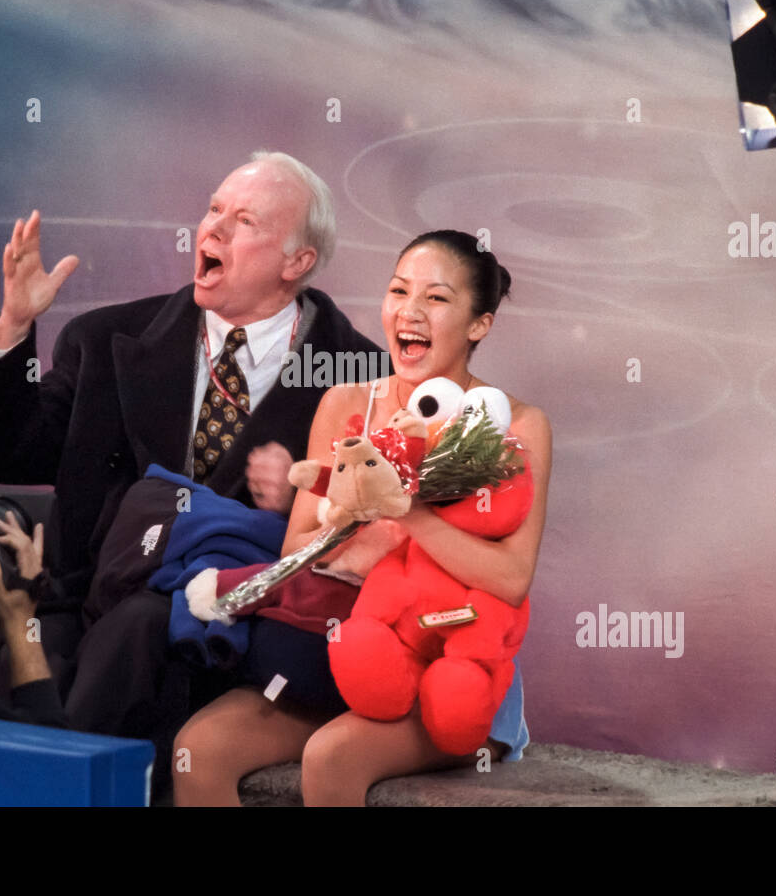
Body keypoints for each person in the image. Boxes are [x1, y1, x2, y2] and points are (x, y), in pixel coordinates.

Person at [0, 151, 384, 785]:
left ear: (298, 262)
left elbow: (377, 536)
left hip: (241, 630)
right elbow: (4, 453)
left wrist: (306, 494)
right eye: (213, 210)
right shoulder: (106, 340)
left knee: (138, 634)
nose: (212, 230)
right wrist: (15, 325)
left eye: (244, 221)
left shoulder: (361, 380)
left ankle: (58, 792)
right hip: (90, 605)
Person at [171, 230, 552, 806]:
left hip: (449, 667)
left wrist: (410, 515)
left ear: (479, 324)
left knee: (332, 757)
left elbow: (509, 577)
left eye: (437, 299)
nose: (410, 311)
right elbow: (299, 547)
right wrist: (365, 524)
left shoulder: (516, 425)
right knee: (197, 751)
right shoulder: (347, 405)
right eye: (399, 291)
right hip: (338, 653)